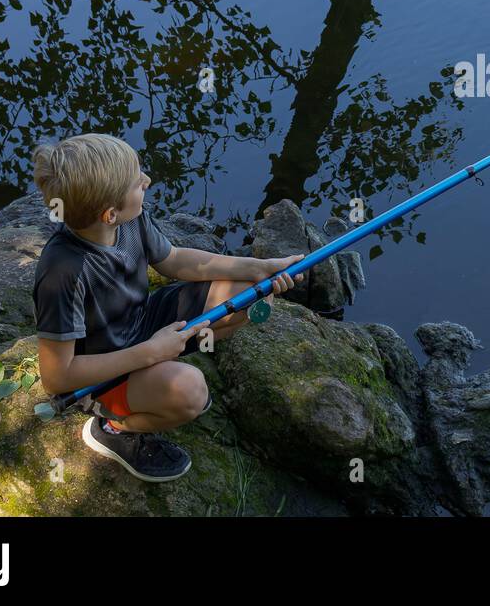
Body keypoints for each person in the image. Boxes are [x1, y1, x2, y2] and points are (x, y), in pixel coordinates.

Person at [31, 133, 305, 481]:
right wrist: (150, 352)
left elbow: (174, 260)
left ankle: (157, 383)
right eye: (137, 181)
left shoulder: (130, 219)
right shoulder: (63, 271)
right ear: (110, 213)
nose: (147, 181)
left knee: (251, 294)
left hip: (143, 323)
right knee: (190, 392)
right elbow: (57, 378)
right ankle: (113, 428)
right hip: (103, 372)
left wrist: (257, 268)